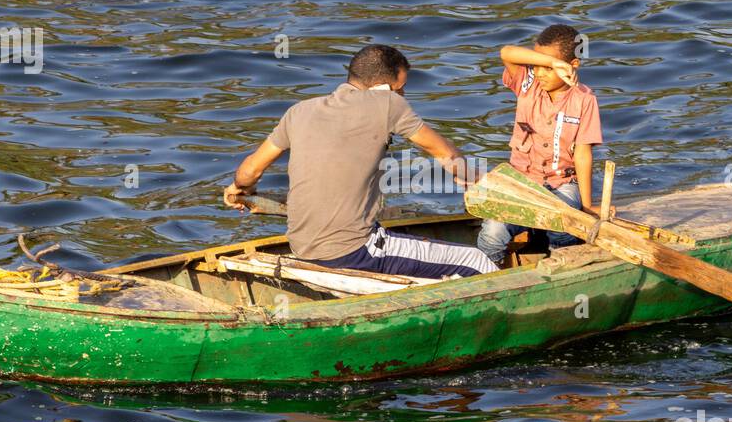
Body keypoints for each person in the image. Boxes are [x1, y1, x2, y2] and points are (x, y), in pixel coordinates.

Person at [224, 44, 497, 279]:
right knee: (477, 262)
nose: (402, 96)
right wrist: (477, 180)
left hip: (301, 247)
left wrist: (239, 190)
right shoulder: (389, 103)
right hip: (354, 251)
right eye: (400, 89)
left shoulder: (298, 111)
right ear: (383, 88)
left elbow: (251, 170)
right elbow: (447, 155)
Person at [477, 23, 607, 265]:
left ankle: (562, 265)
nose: (540, 72)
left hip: (561, 183)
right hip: (522, 182)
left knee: (563, 225)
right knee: (492, 232)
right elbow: (506, 52)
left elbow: (583, 154)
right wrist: (550, 62)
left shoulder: (584, 100)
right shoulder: (527, 84)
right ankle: (487, 276)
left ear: (573, 65)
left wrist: (587, 207)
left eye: (548, 67)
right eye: (538, 65)